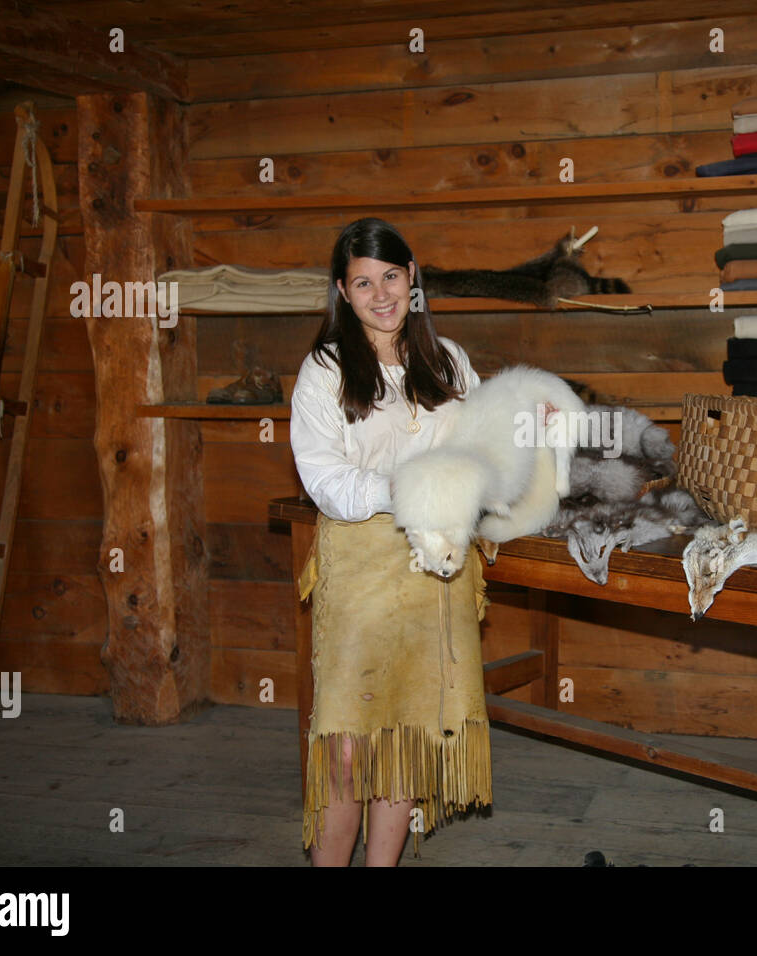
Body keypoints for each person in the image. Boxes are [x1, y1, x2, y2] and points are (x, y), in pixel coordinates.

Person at [289, 217, 491, 867]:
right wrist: (411, 485)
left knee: (408, 736)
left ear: (414, 278)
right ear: (342, 293)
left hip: (440, 573)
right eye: (363, 282)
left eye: (392, 277)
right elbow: (325, 480)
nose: (381, 294)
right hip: (361, 568)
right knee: (349, 744)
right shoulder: (324, 372)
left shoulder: (450, 361)